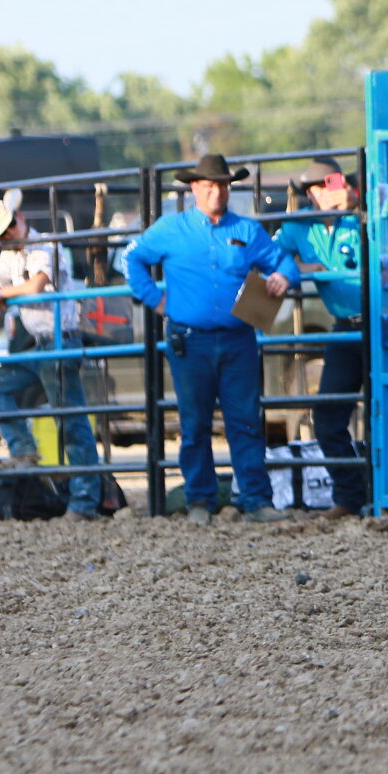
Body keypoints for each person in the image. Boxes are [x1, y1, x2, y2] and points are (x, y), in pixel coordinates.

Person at [126, 154, 301, 525]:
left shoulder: (248, 231)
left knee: (245, 420)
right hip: (191, 340)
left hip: (237, 338)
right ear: (194, 189)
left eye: (222, 185)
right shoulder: (170, 229)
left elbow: (283, 262)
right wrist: (155, 299)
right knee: (195, 422)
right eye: (209, 185)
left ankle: (254, 499)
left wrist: (284, 277)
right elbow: (133, 259)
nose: (216, 192)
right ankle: (200, 500)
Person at [0, 192, 103, 520]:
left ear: (20, 219)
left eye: (9, 226)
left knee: (70, 420)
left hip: (57, 342)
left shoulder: (47, 246)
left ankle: (84, 501)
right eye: (2, 232)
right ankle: (24, 450)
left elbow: (37, 285)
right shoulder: (10, 256)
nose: (8, 233)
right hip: (41, 345)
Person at [274, 158, 365, 520]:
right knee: (328, 415)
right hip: (346, 324)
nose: (332, 191)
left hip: (378, 322)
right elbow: (270, 257)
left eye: (337, 184)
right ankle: (352, 495)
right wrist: (298, 269)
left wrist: (356, 203)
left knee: (387, 407)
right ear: (312, 193)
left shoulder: (359, 215)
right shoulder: (298, 228)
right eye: (326, 185)